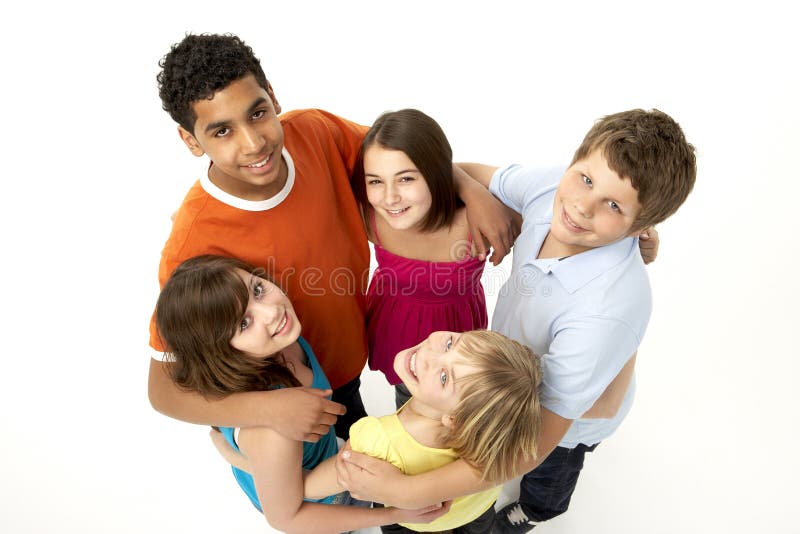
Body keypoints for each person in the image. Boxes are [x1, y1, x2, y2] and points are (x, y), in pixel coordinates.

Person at [336, 108, 697, 534]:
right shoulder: (550, 188)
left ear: (641, 225)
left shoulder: (604, 312)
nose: (580, 206)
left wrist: (408, 494)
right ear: (575, 162)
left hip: (564, 423)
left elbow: (522, 450)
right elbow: (449, 170)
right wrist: (478, 194)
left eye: (613, 205)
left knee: (548, 477)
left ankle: (532, 512)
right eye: (584, 178)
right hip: (499, 375)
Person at [147, 33, 517, 442]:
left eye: (257, 113)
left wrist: (469, 187)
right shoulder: (192, 241)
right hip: (288, 400)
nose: (253, 143)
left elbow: (405, 164)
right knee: (330, 488)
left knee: (364, 453)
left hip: (349, 365)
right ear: (191, 141)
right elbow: (163, 390)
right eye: (221, 132)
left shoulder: (316, 132)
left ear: (272, 96)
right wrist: (268, 408)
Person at [154, 255, 449, 533]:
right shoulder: (272, 433)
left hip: (313, 461)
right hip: (317, 505)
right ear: (221, 354)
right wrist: (391, 514)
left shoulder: (281, 342)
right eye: (244, 323)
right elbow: (287, 517)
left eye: (257, 290)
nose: (271, 312)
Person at [215, 329, 543, 534]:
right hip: (471, 512)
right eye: (450, 342)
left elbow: (304, 487)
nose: (428, 353)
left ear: (455, 420)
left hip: (415, 524)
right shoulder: (497, 435)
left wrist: (233, 453)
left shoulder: (375, 441)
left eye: (445, 378)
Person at [352, 109, 489, 409]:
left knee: (459, 412)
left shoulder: (475, 220)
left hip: (457, 338)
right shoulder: (370, 216)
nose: (390, 198)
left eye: (405, 179)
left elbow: (531, 186)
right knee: (408, 405)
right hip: (397, 331)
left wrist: (473, 189)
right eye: (375, 181)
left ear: (438, 173)